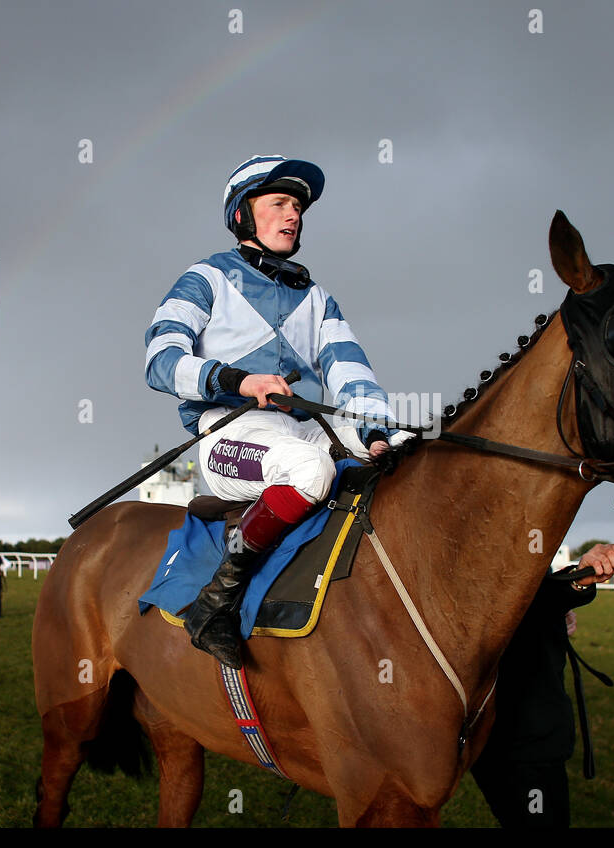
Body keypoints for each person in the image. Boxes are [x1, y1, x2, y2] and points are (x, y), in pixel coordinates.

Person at [144, 154, 413, 668]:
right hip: (227, 434)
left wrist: (376, 430)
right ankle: (216, 601)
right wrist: (236, 380)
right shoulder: (204, 278)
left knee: (410, 448)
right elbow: (160, 360)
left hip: (309, 426)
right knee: (311, 471)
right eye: (280, 204)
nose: (294, 215)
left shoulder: (317, 298)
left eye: (298, 207)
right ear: (243, 214)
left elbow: (351, 373)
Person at [471, 542, 614, 828]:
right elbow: (504, 596)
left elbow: (524, 598)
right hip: (514, 731)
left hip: (519, 728)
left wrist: (563, 600)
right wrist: (574, 583)